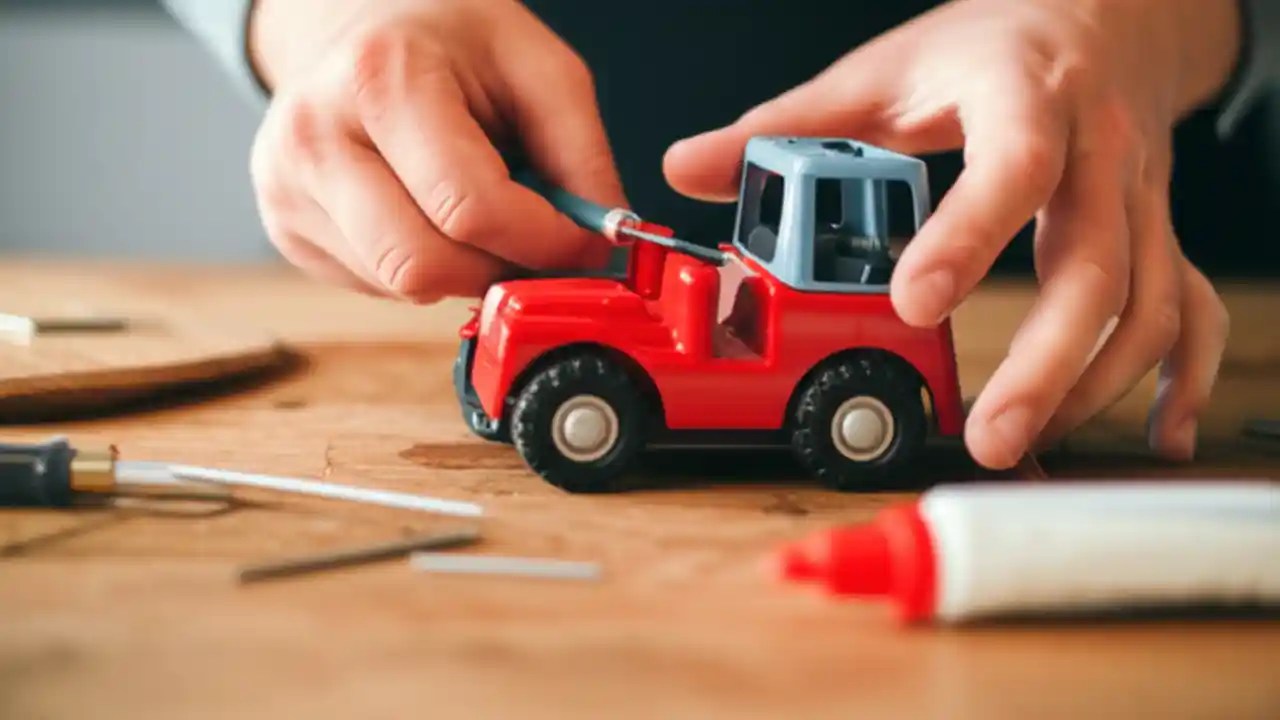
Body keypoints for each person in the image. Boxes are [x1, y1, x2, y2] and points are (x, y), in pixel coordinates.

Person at [161, 0, 1278, 471]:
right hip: (435, 114)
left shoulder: (853, 317)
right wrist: (317, 17)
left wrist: (1145, 17)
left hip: (1107, 152)